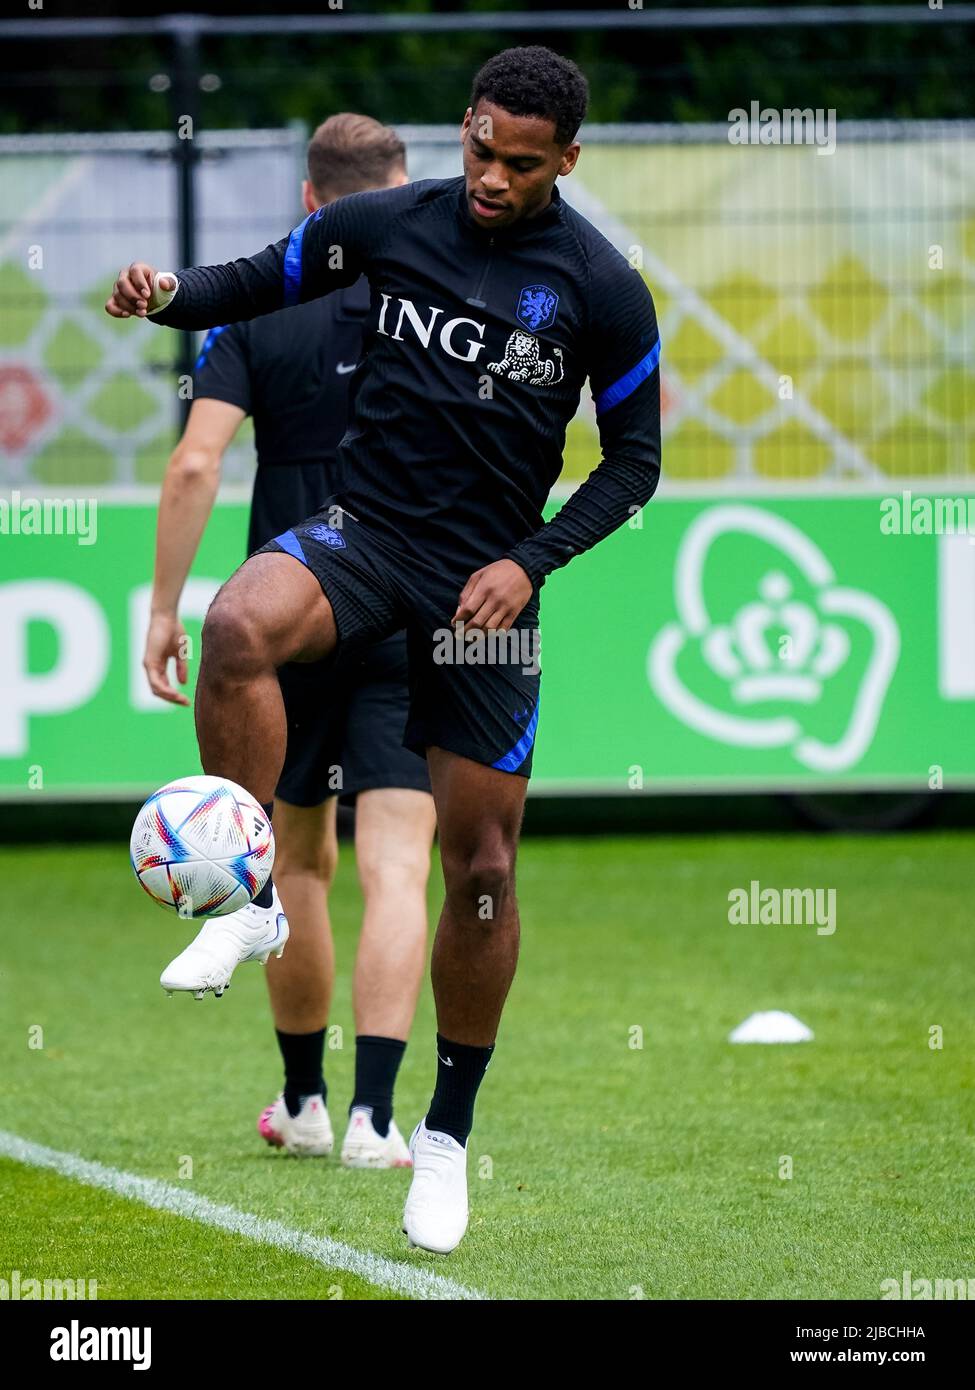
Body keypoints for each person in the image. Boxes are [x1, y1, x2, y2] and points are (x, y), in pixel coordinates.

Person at [107, 45, 661, 1254]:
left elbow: (635, 462)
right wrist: (166, 293)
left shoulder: (602, 287)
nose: (494, 179)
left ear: (567, 160)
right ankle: (248, 896)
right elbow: (254, 279)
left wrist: (534, 561)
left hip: (482, 588)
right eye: (480, 149)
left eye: (524, 164)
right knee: (239, 625)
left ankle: (445, 1136)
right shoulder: (387, 222)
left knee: (481, 871)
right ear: (463, 126)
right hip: (368, 535)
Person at [142, 114, 436, 1170]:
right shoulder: (438, 299)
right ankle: (377, 1122)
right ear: (400, 196)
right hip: (417, 596)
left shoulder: (261, 308)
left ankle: (305, 1101)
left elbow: (194, 464)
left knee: (293, 863)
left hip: (288, 611)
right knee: (401, 865)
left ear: (313, 203)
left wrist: (167, 607)